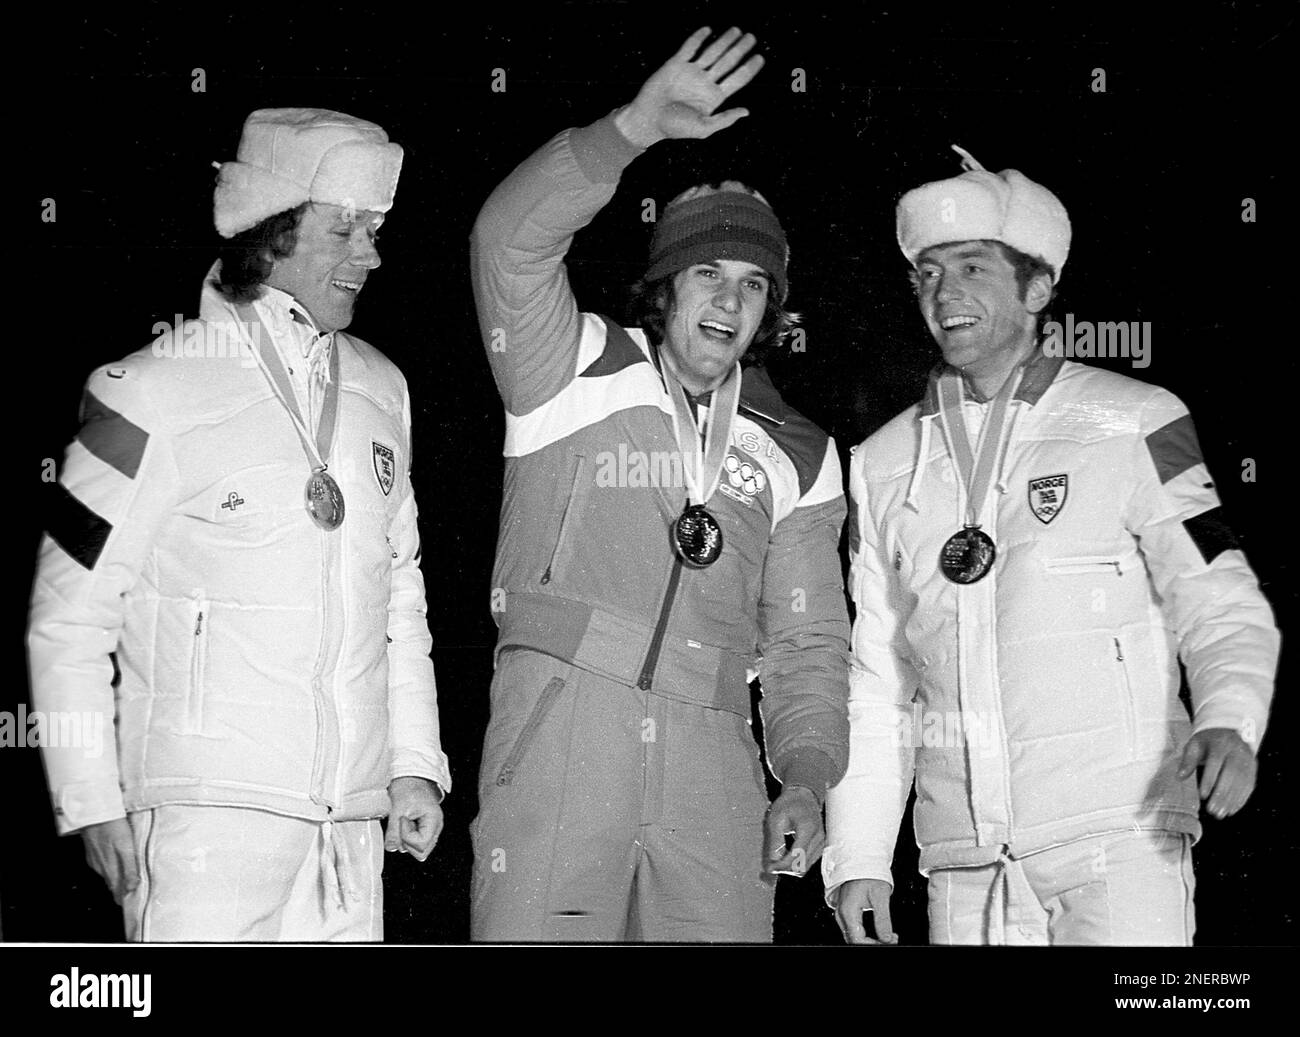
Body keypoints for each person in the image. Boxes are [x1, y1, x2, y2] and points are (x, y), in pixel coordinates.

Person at [823, 147, 1279, 946]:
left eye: (972, 267)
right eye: (927, 273)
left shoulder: (1141, 417)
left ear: (1038, 288)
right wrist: (859, 852)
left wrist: (1231, 717)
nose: (944, 293)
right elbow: (876, 677)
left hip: (1116, 833)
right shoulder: (882, 461)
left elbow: (1217, 589)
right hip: (965, 864)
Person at [28, 107, 451, 941]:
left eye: (376, 229)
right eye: (346, 229)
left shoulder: (384, 389)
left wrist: (413, 767)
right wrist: (88, 796)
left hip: (348, 836)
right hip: (204, 832)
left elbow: (400, 600)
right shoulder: (142, 390)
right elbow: (66, 614)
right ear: (274, 230)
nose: (372, 254)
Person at [469, 27, 850, 942]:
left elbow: (806, 642)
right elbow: (506, 242)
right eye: (708, 273)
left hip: (716, 759)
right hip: (563, 731)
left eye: (754, 284)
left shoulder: (799, 449)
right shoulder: (570, 364)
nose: (728, 300)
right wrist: (631, 129)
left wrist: (803, 771)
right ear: (664, 284)